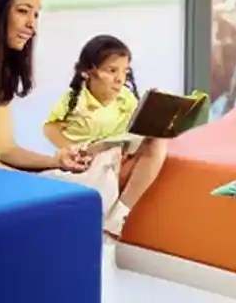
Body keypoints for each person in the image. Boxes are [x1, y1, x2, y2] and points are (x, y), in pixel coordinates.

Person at [43, 35, 168, 237]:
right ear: (89, 71)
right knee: (100, 158)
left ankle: (120, 214)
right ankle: (103, 221)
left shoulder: (126, 98)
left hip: (120, 147)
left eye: (125, 72)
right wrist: (69, 148)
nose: (120, 79)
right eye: (111, 71)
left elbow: (137, 127)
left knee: (159, 141)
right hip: (88, 151)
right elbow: (50, 128)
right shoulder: (74, 100)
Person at [0, 0, 91, 174]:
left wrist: (57, 163)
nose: (32, 25)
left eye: (36, 14)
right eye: (23, 11)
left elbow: (5, 149)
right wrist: (20, 180)